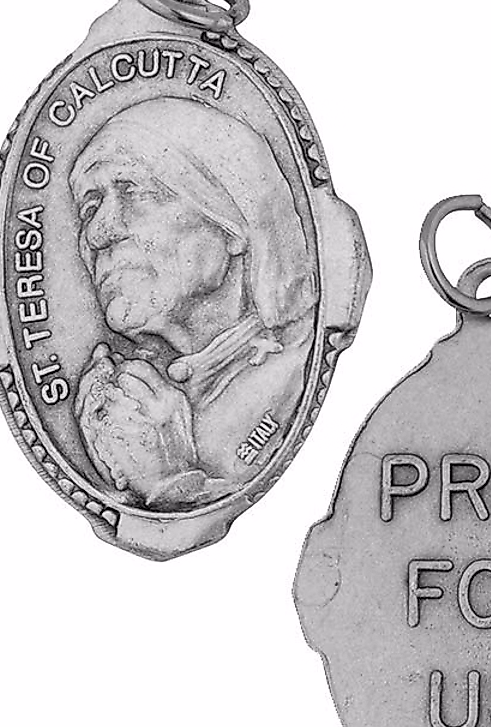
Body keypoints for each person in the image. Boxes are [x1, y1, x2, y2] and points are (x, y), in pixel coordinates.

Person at [68, 97, 315, 510]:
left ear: (233, 225)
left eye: (134, 191)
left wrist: (169, 482)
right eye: (91, 207)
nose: (98, 233)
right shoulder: (121, 394)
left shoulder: (294, 371)